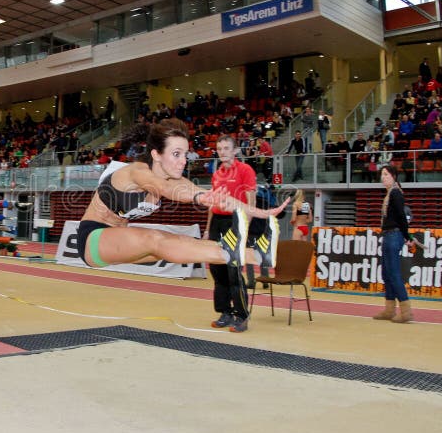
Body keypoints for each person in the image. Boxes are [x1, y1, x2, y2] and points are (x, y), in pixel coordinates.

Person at [76, 120, 288, 334]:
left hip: (116, 241)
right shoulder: (137, 171)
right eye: (176, 154)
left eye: (185, 154)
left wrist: (262, 212)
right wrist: (199, 197)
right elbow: (164, 188)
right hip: (93, 238)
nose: (183, 161)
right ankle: (247, 255)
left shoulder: (173, 178)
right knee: (155, 238)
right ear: (156, 154)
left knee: (184, 245)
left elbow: (211, 196)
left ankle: (254, 255)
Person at [206, 135, 257, 331]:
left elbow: (251, 203)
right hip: (217, 223)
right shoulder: (217, 174)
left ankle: (241, 315)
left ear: (235, 150)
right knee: (217, 270)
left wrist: (244, 228)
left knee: (233, 271)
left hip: (235, 221)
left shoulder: (245, 170)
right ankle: (225, 312)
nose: (222, 152)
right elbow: (212, 203)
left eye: (226, 148)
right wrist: (207, 229)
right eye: (219, 149)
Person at [374, 165, 416, 323]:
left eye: (386, 174)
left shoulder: (396, 193)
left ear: (393, 176)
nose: (383, 177)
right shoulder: (390, 194)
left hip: (393, 234)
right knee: (386, 273)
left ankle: (406, 311)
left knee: (393, 273)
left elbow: (401, 216)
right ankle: (389, 309)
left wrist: (407, 236)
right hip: (388, 234)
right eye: (382, 174)